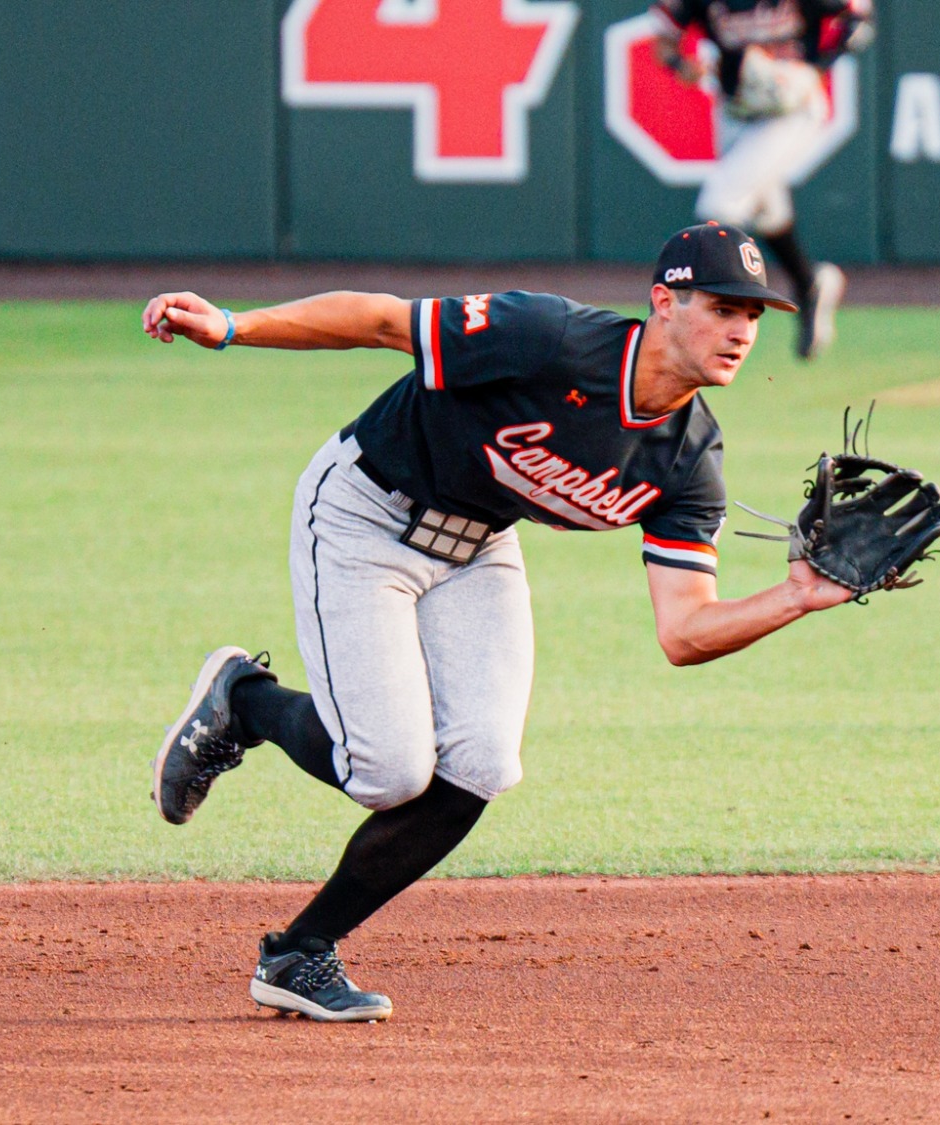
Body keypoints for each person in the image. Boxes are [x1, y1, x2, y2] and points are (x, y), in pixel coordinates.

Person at [139, 223, 854, 1022]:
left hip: (478, 548)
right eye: (724, 308)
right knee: (387, 772)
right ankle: (245, 702)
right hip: (364, 511)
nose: (741, 333)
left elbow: (684, 632)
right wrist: (234, 326)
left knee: (480, 763)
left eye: (754, 317)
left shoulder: (690, 459)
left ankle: (299, 954)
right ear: (663, 301)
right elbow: (382, 320)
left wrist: (798, 596)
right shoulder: (548, 338)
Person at [650, 0, 875, 359]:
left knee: (720, 203)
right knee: (767, 209)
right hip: (736, 112)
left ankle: (719, 313)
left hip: (792, 111)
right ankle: (810, 282)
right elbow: (663, 40)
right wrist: (681, 64)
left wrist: (817, 65)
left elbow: (859, 13)